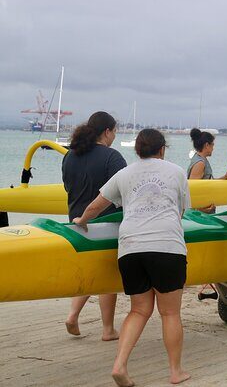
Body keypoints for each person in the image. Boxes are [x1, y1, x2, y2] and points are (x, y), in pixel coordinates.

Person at [74, 129, 191, 386]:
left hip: (130, 247)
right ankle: (175, 372)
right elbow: (180, 212)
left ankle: (120, 365)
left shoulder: (123, 174)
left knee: (139, 310)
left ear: (137, 150)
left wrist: (81, 221)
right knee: (170, 313)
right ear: (162, 149)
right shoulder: (176, 172)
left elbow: (96, 205)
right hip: (166, 246)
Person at [62, 111, 126, 341]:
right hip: (105, 223)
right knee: (106, 276)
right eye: (114, 132)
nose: (114, 137)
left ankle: (72, 315)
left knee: (90, 271)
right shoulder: (112, 157)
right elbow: (122, 192)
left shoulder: (70, 155)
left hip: (76, 222)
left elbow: (67, 186)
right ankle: (108, 329)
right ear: (107, 131)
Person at [187, 128, 227, 213]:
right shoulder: (200, 163)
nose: (213, 148)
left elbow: (208, 182)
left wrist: (224, 177)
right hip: (200, 215)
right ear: (207, 145)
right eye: (213, 145)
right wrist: (200, 209)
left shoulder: (202, 160)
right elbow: (192, 189)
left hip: (204, 211)